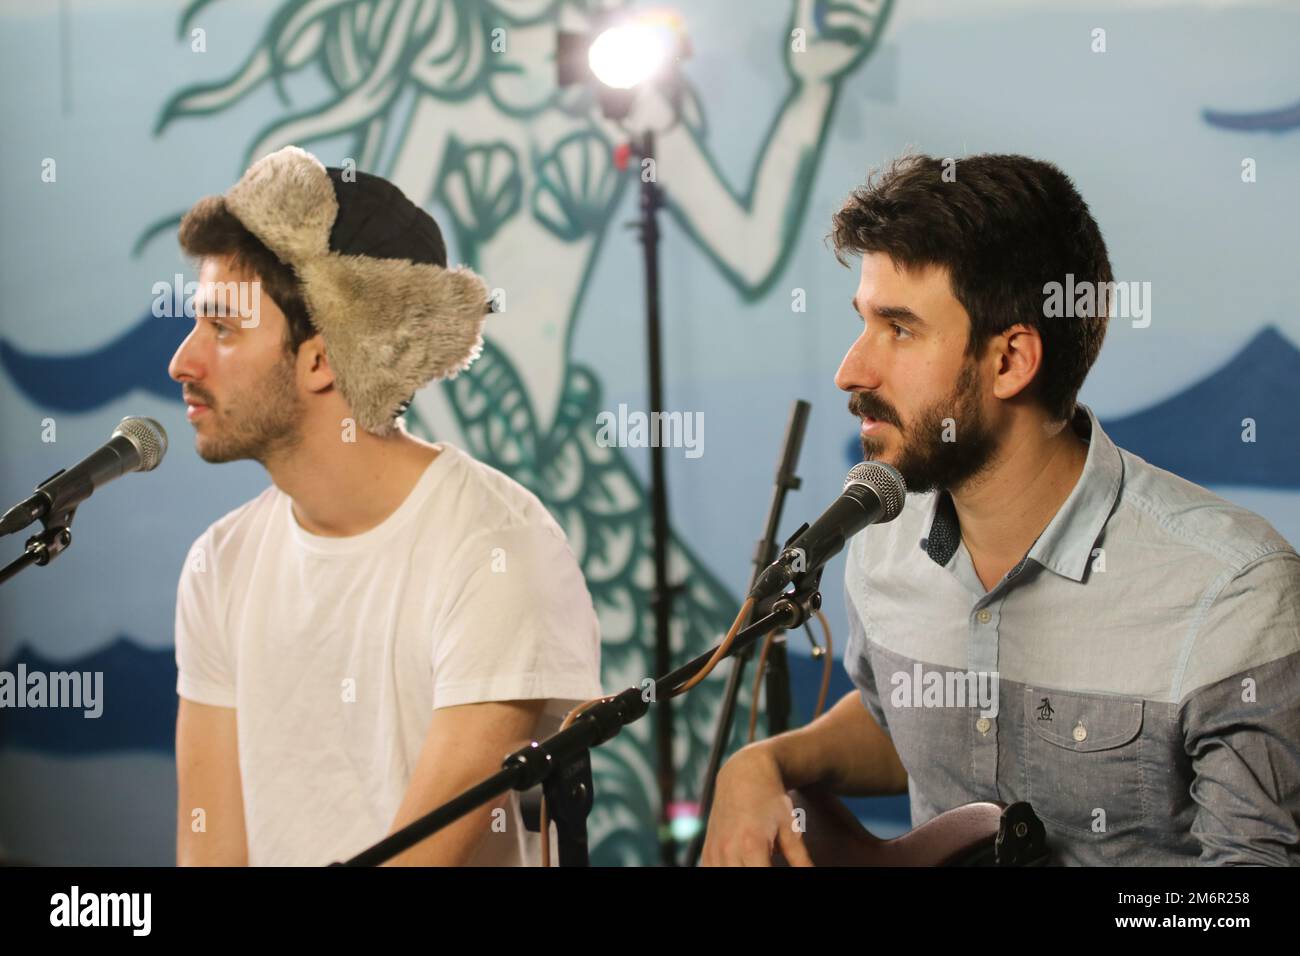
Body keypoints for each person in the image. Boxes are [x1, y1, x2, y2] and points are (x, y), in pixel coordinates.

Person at [702, 153, 1300, 866]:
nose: (851, 371)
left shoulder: (1233, 591)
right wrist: (761, 765)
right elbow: (898, 722)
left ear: (1012, 360)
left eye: (899, 329)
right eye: (863, 322)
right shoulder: (883, 543)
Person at [169, 146, 602, 866]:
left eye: (222, 327)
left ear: (322, 358)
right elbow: (209, 851)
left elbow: (420, 859)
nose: (183, 361)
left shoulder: (497, 549)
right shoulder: (220, 563)